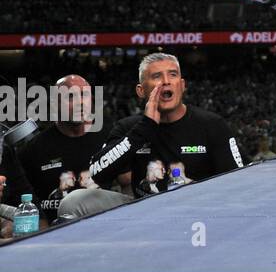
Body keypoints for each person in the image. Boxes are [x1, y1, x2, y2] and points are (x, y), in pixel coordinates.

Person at [61, 53, 243, 219]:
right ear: (141, 91)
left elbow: (238, 184)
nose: (166, 81)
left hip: (198, 213)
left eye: (172, 75)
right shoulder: (129, 127)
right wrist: (144, 129)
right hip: (142, 212)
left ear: (182, 85)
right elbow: (97, 172)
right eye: (156, 76)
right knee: (75, 200)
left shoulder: (212, 125)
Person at [17, 74, 111, 222]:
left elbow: (126, 185)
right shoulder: (33, 150)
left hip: (106, 228)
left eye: (84, 95)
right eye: (71, 96)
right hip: (53, 235)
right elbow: (19, 196)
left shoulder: (110, 138)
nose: (80, 102)